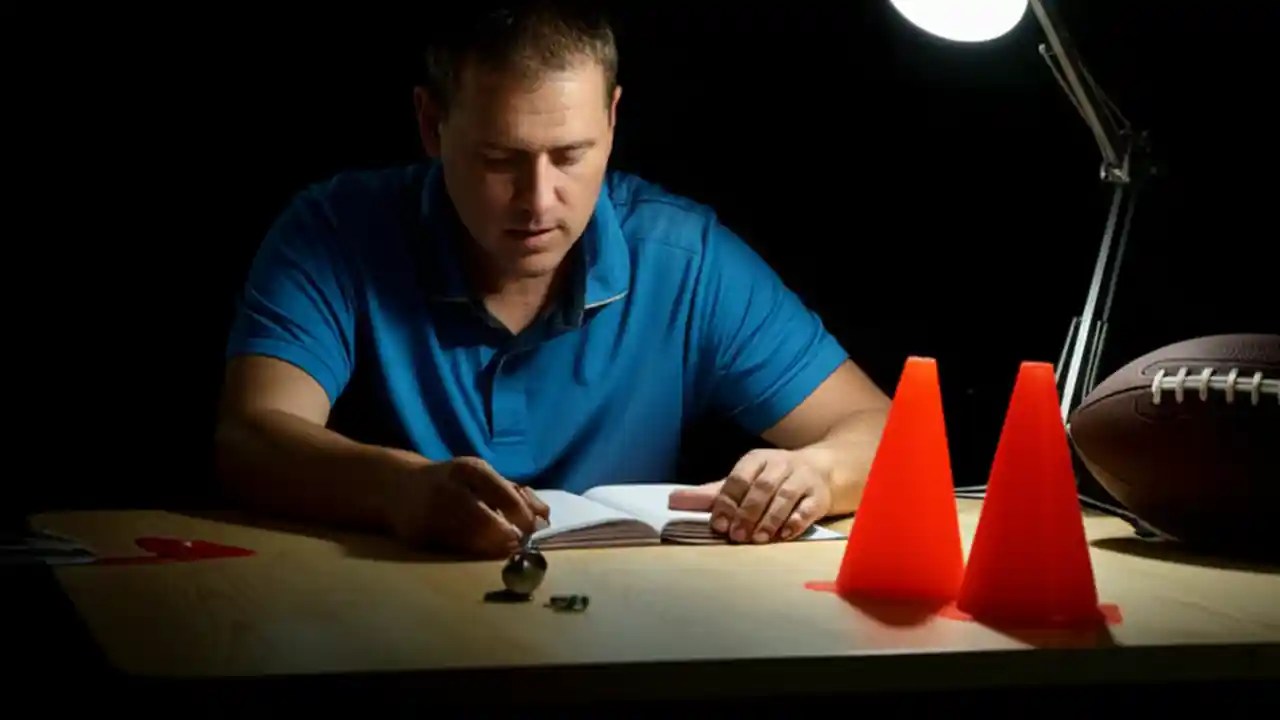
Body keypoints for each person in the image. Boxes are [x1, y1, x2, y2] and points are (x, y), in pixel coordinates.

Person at [214, 1, 891, 559]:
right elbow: (251, 438)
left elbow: (884, 430)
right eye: (499, 158)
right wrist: (402, 490)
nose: (538, 201)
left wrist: (815, 474)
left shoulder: (685, 257)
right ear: (430, 123)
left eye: (570, 155)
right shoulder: (336, 231)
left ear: (613, 119)